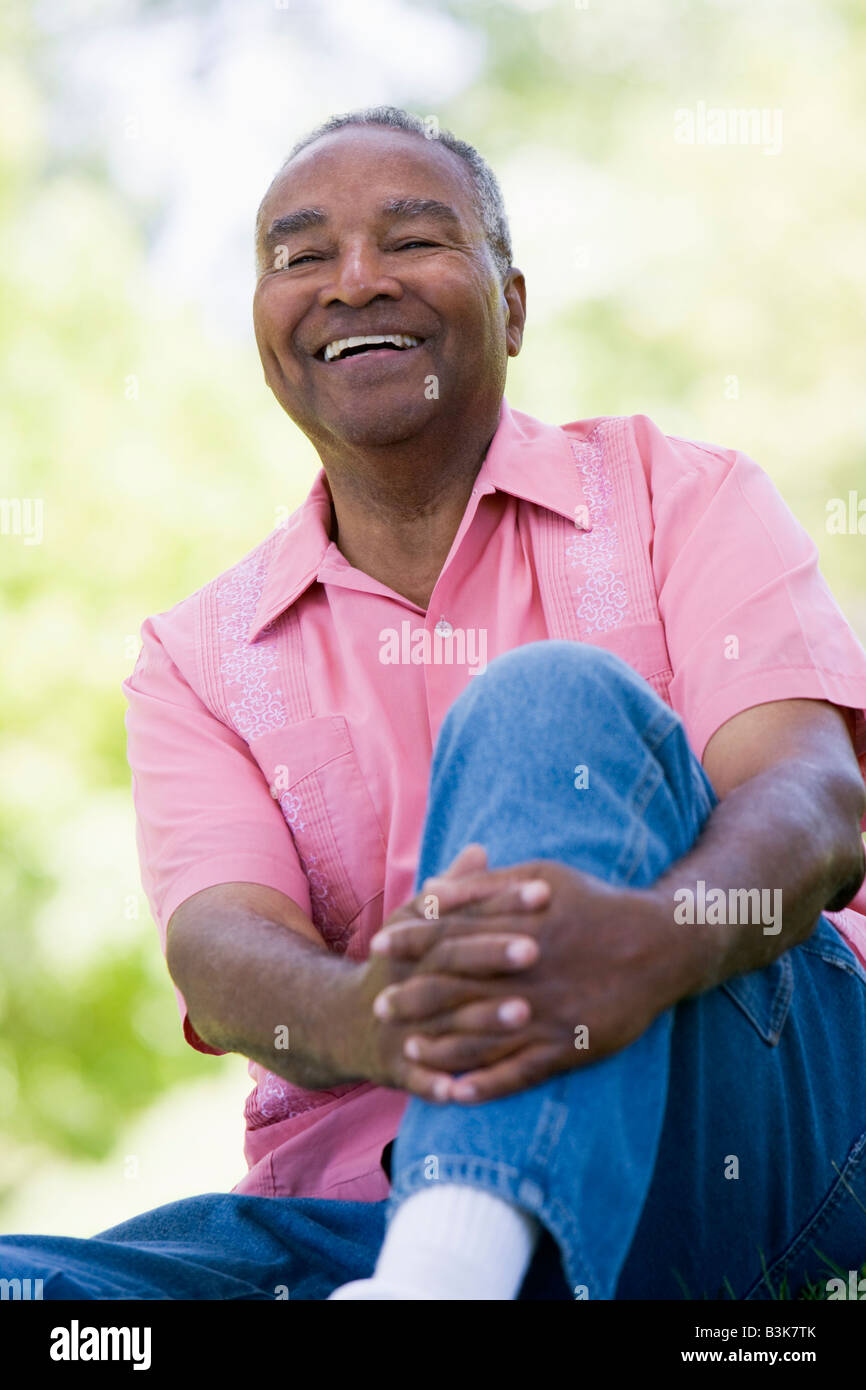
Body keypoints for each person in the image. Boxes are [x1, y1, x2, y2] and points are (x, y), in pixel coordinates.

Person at [3, 105, 866, 1301]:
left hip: (729, 1127)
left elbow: (814, 800)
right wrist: (380, 1015)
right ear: (263, 333)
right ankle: (451, 1260)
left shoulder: (681, 496)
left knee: (549, 704)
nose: (353, 282)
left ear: (511, 303)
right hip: (355, 1209)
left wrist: (644, 942)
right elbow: (219, 952)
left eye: (410, 240)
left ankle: (446, 1276)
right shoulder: (197, 655)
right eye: (301, 256)